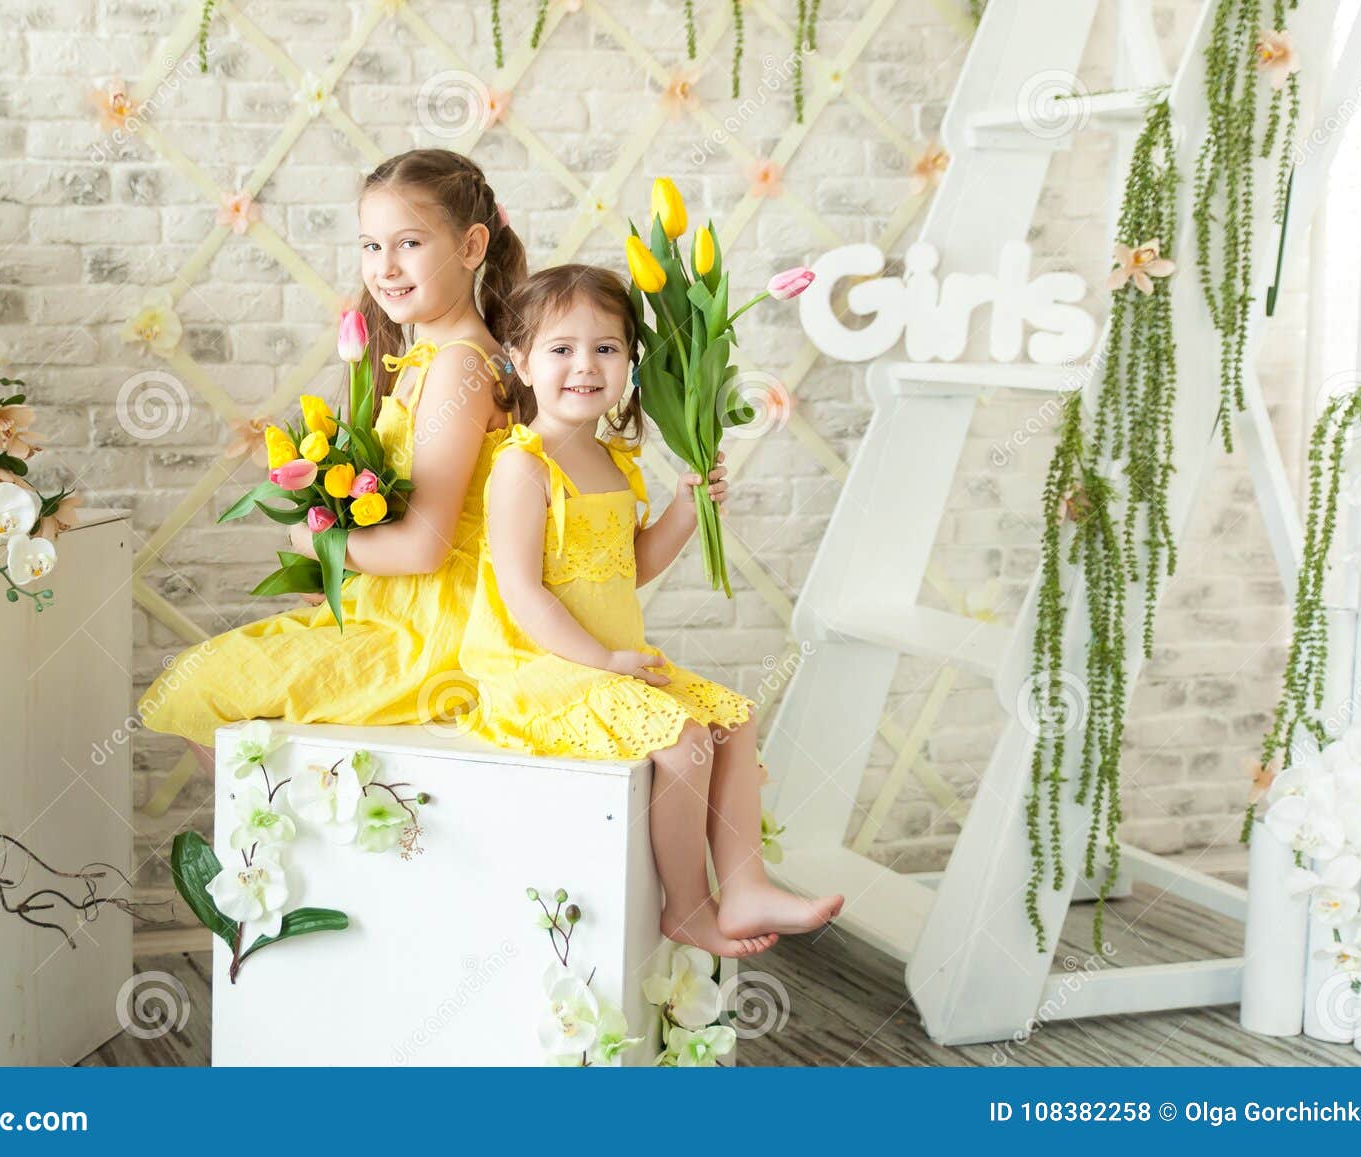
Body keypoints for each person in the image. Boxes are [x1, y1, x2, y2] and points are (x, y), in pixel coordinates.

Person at [457, 264, 843, 957]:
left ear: (630, 363)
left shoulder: (613, 463)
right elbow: (522, 593)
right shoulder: (523, 466)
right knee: (687, 743)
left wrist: (687, 507)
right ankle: (687, 905)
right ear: (520, 361)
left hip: (607, 663)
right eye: (562, 348)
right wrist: (603, 659)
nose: (585, 365)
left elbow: (629, 566)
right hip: (540, 666)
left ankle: (746, 885)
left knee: (733, 721)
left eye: (606, 348)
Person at [139, 149, 526, 770]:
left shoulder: (459, 366)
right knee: (211, 678)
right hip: (401, 604)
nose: (385, 267)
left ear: (471, 246)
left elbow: (424, 549)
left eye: (409, 243)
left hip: (434, 629)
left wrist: (315, 542)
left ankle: (280, 835)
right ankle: (288, 830)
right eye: (371, 246)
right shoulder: (431, 358)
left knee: (201, 684)